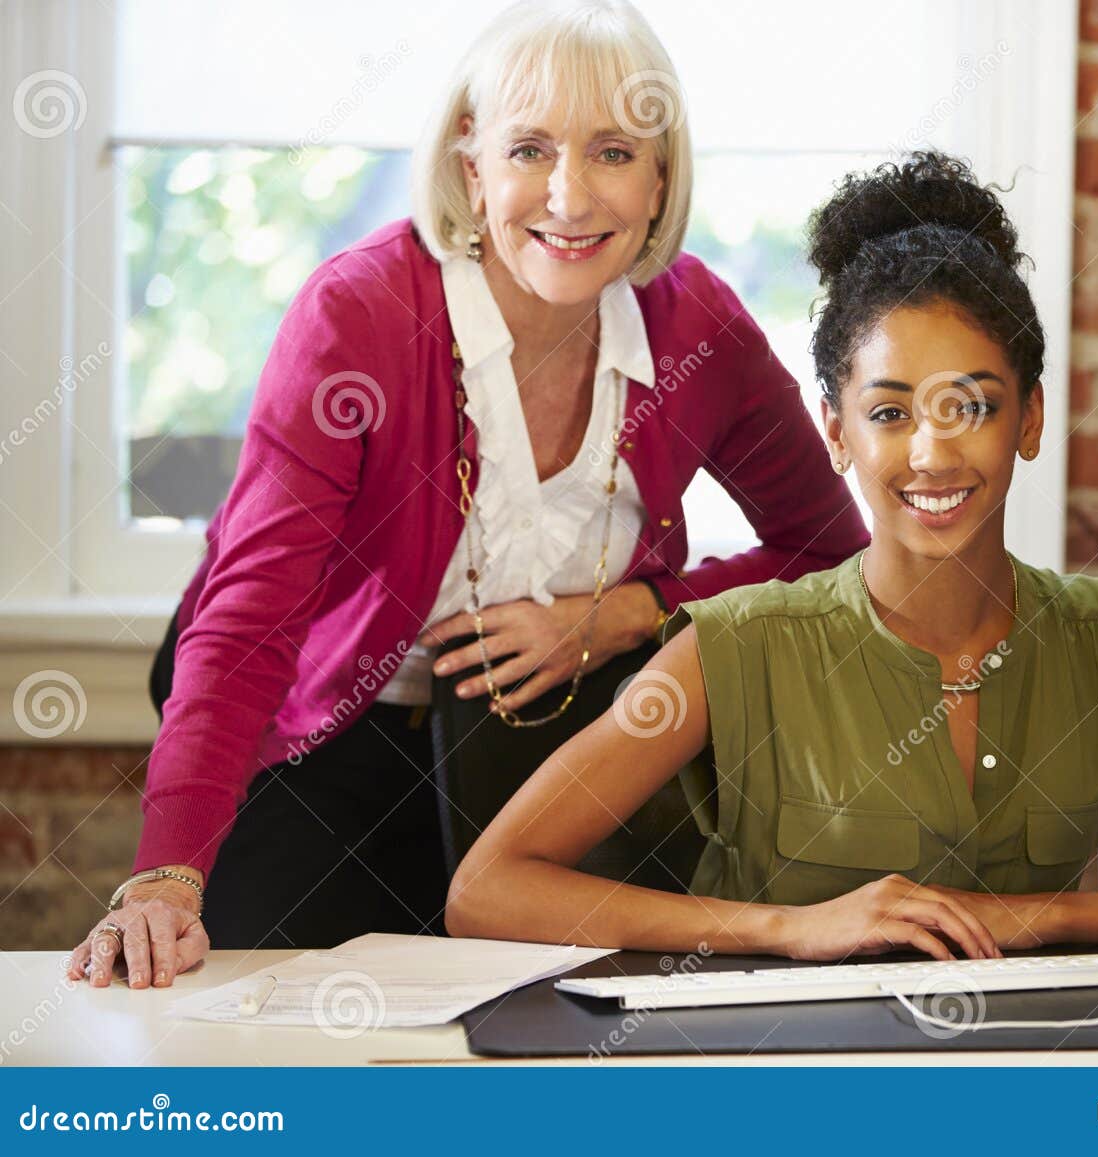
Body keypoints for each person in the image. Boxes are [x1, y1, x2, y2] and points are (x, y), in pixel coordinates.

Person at [68, 0, 865, 990]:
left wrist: (627, 611)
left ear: (661, 177)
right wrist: (166, 876)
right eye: (528, 148)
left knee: (580, 1020)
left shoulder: (699, 324)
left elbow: (829, 553)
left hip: (554, 748)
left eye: (614, 151)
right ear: (469, 160)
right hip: (333, 732)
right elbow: (248, 622)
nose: (569, 197)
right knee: (272, 1007)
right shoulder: (356, 315)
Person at [446, 152, 1098, 961]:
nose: (931, 453)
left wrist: (1052, 916)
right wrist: (787, 928)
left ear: (1029, 420)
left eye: (971, 405)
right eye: (889, 412)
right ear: (836, 433)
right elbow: (488, 888)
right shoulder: (737, 648)